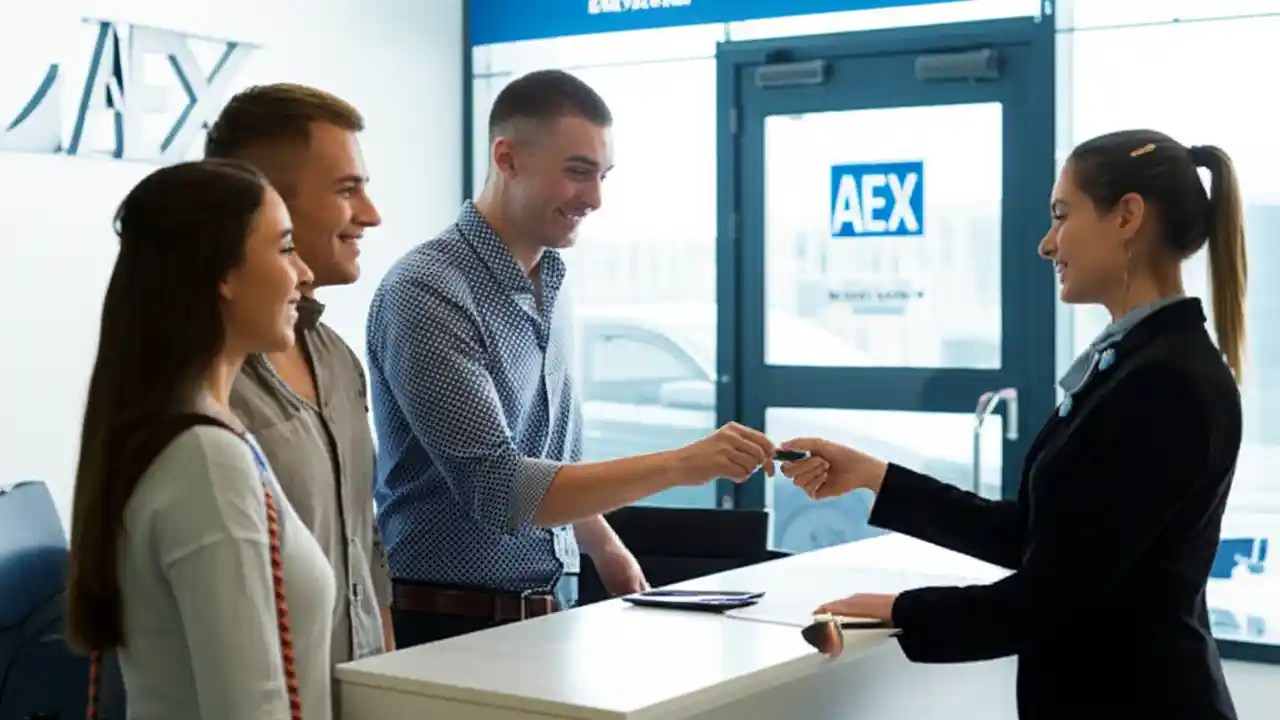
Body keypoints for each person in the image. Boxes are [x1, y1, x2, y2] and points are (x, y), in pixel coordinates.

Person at [780, 129, 1246, 719]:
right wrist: (876, 477)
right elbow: (1036, 536)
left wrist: (904, 610)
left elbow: (1052, 598)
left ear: (1127, 215)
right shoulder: (1137, 365)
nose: (1047, 245)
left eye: (1061, 215)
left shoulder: (1165, 382)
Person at [366, 69, 776, 646]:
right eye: (578, 172)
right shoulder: (427, 290)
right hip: (448, 625)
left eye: (603, 175)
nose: (596, 198)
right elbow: (500, 489)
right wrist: (685, 464)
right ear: (506, 159)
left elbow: (548, 463)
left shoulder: (552, 280)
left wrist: (605, 545)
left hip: (549, 614)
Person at [66, 160, 334, 719]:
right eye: (284, 248)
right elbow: (248, 708)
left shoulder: (198, 436)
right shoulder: (207, 464)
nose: (304, 273)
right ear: (223, 272)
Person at [204, 83, 394, 665]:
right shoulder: (206, 382)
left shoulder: (336, 357)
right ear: (265, 204)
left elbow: (366, 549)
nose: (371, 214)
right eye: (346, 190)